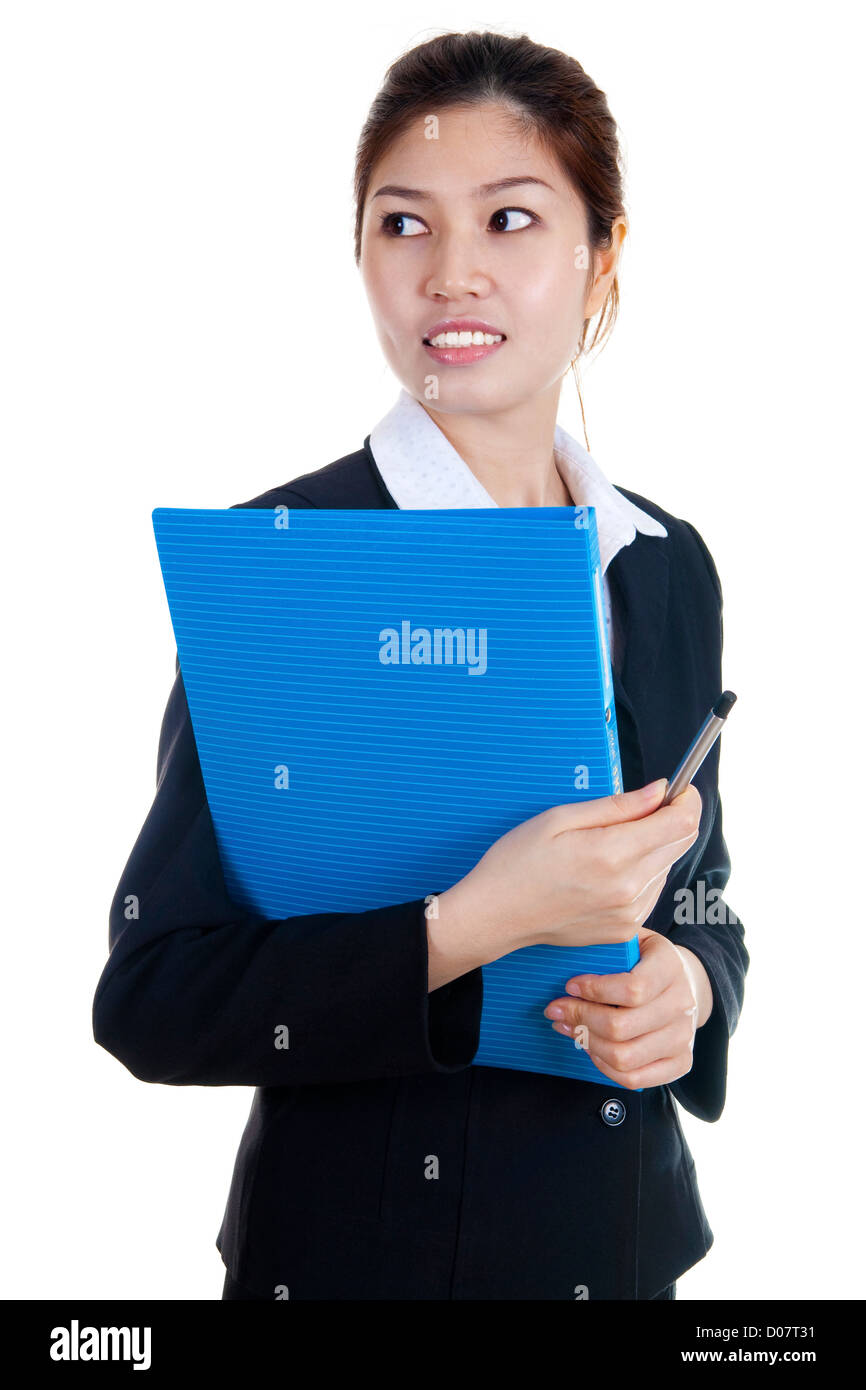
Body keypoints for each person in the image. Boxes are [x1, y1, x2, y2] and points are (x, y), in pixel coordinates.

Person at [92, 29, 748, 1301]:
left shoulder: (666, 562)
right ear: (359, 255)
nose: (451, 275)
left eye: (509, 219)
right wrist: (473, 923)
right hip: (356, 1264)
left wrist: (690, 988)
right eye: (403, 226)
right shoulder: (285, 565)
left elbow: (701, 890)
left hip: (616, 1259)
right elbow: (155, 991)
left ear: (599, 254)